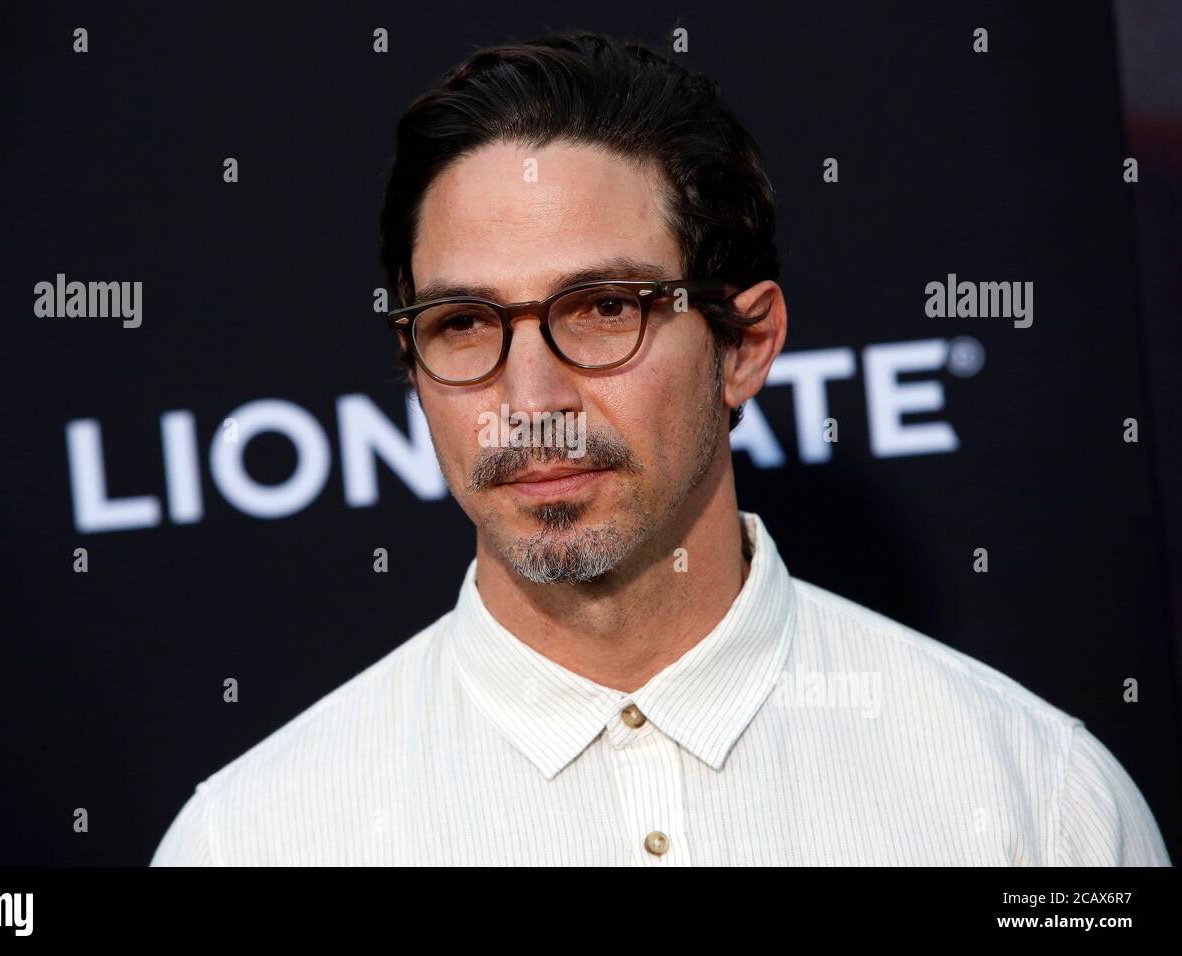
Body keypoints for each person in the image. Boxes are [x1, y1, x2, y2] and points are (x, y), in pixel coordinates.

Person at [151, 31, 1170, 865]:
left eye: (603, 307)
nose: (532, 397)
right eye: (464, 322)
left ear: (743, 344)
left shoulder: (1041, 806)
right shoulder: (250, 839)